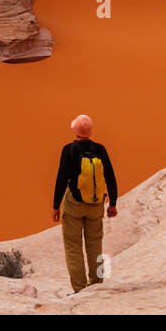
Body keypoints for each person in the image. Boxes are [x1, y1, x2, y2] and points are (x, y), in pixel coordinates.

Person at [51, 114, 118, 293]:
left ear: (75, 130)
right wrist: (112, 202)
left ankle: (80, 289)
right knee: (95, 244)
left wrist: (56, 205)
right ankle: (96, 283)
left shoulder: (69, 150)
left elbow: (61, 178)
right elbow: (110, 176)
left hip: (74, 205)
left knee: (73, 245)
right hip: (96, 204)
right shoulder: (100, 149)